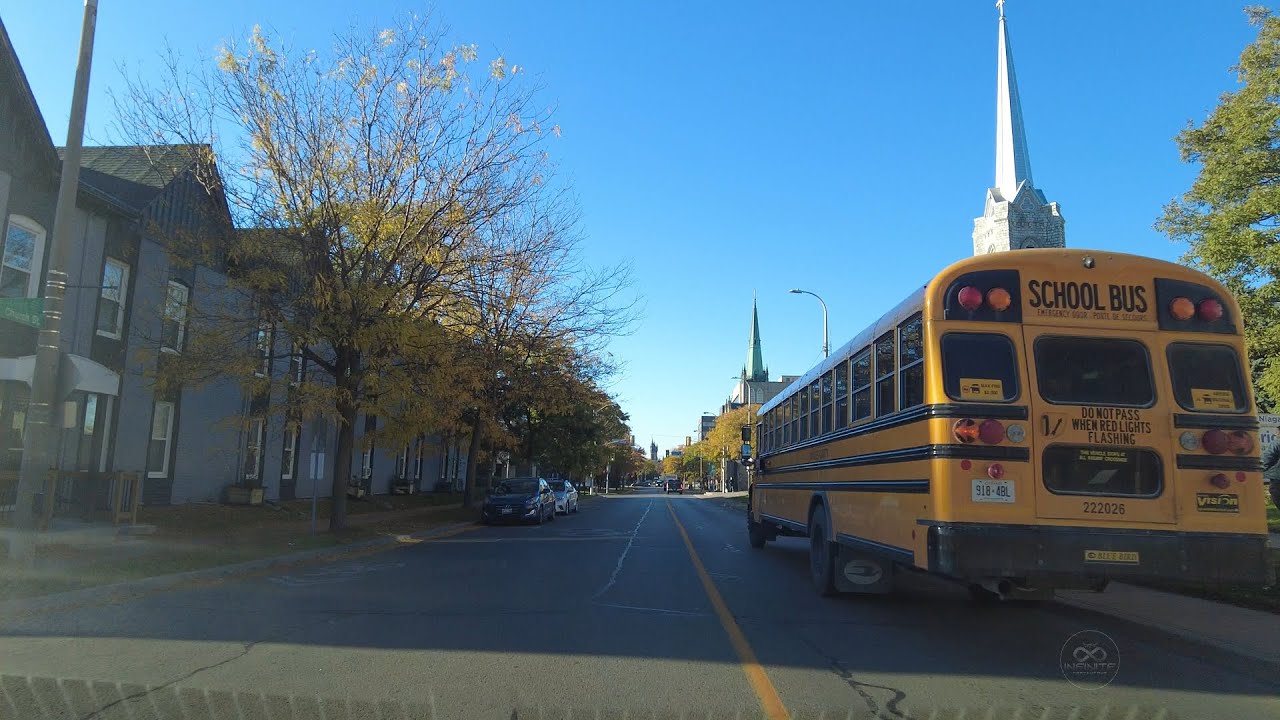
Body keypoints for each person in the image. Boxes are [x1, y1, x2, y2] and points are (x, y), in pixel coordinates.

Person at [1262, 441, 1280, 509]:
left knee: (1277, 495)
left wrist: (1257, 470)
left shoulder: (1277, 443)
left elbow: (1268, 458)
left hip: (1278, 479)